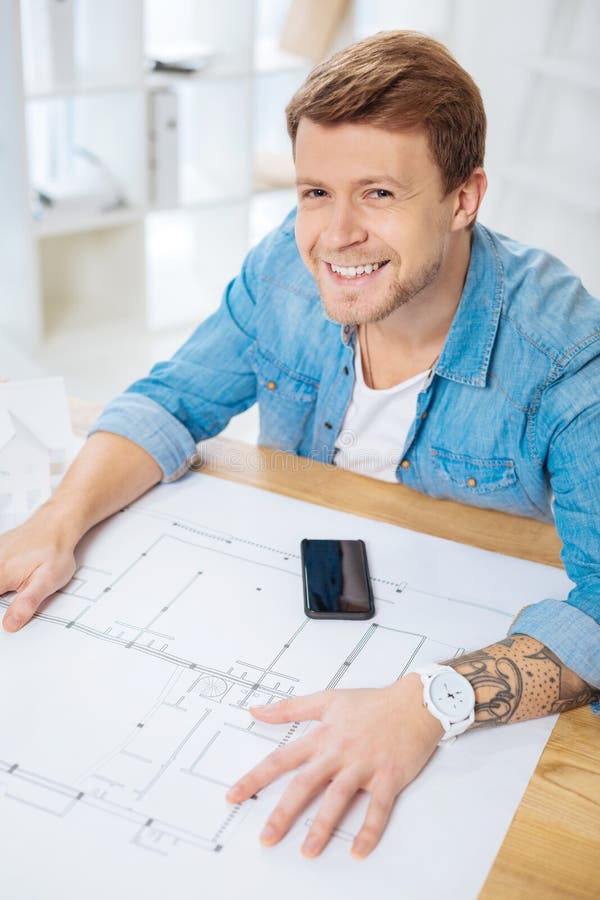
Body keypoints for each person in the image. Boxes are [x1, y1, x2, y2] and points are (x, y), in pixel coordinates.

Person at [1, 31, 599, 860]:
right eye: (316, 191)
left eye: (380, 193)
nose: (335, 235)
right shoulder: (283, 267)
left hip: (448, 652)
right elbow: (171, 400)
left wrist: (431, 702)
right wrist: (56, 522)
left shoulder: (565, 356)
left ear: (464, 199)